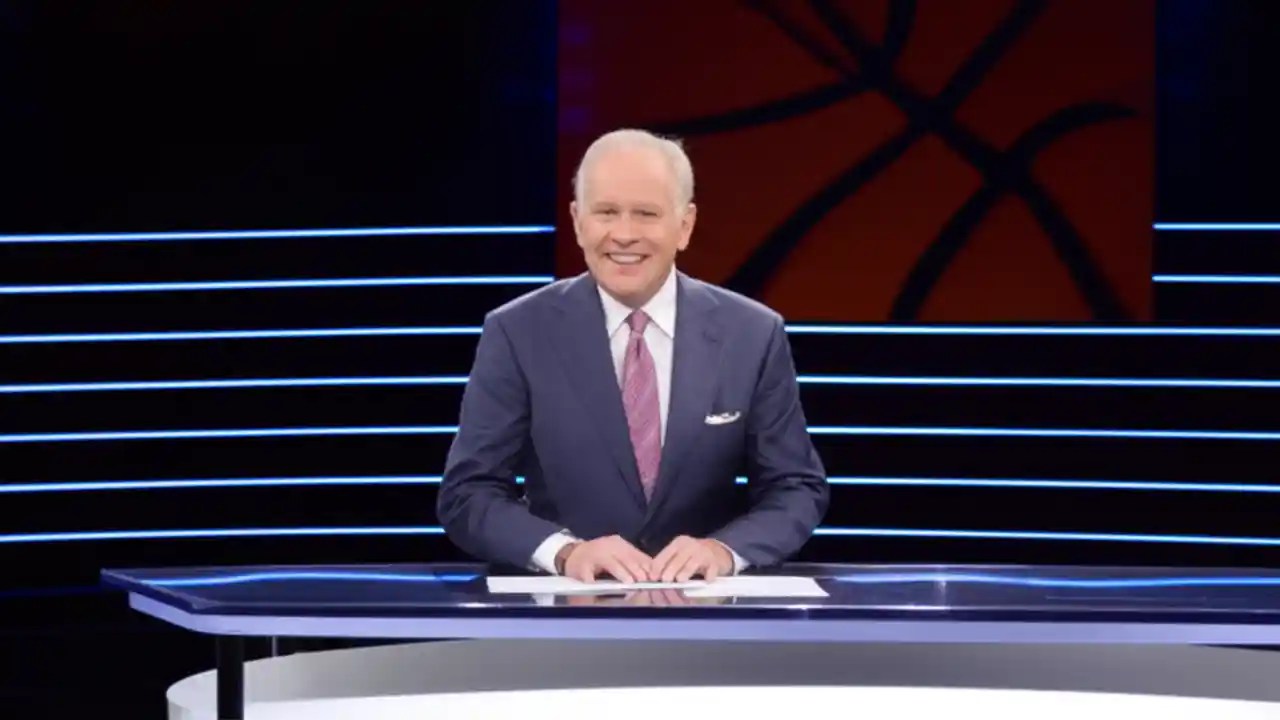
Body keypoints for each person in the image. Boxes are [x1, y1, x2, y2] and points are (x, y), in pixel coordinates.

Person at [438, 128, 829, 583]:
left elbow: (795, 489)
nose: (623, 235)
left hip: (707, 621)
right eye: (606, 212)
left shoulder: (753, 333)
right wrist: (564, 553)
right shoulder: (517, 331)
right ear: (577, 220)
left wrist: (725, 551)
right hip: (563, 621)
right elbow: (468, 493)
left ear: (685, 226)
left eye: (646, 214)